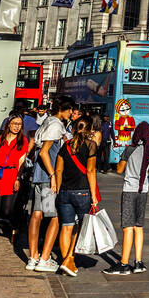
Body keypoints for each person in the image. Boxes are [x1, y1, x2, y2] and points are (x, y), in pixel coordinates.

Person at [27, 98, 77, 272]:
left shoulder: (48, 121)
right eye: (70, 110)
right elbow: (44, 152)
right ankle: (45, 258)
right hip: (49, 179)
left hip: (39, 176)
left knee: (37, 214)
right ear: (64, 109)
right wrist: (53, 175)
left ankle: (33, 257)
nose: (71, 113)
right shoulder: (55, 125)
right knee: (54, 217)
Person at [107, 114, 149, 275]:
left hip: (130, 190)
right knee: (138, 227)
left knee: (127, 227)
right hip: (144, 190)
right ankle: (139, 262)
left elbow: (120, 169)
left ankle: (123, 264)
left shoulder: (130, 149)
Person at [54, 115, 101, 277]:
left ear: (73, 129)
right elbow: (90, 171)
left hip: (65, 192)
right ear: (88, 130)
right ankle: (69, 259)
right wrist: (94, 195)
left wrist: (60, 188)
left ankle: (65, 261)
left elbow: (58, 170)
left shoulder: (65, 146)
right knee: (81, 228)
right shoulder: (91, 145)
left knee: (66, 227)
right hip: (83, 191)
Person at [0, 113, 30, 250]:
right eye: (14, 123)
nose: (17, 127)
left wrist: (18, 178)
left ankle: (15, 227)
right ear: (9, 124)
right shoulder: (1, 138)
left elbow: (22, 161)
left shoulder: (23, 141)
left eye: (19, 124)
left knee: (7, 210)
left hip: (11, 176)